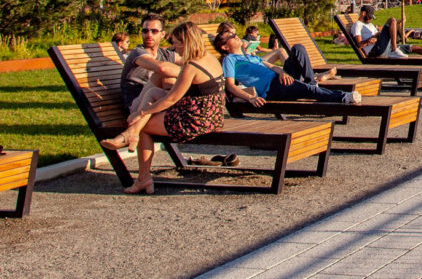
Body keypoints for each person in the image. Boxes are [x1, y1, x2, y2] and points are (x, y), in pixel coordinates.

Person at [100, 22, 225, 194]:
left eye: (176, 43)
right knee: (153, 92)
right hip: (212, 114)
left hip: (195, 120)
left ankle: (143, 176)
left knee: (145, 127)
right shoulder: (209, 58)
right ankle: (131, 134)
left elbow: (171, 99)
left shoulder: (192, 67)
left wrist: (142, 112)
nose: (174, 48)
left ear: (185, 42)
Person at [216, 29, 360, 105]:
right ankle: (343, 97)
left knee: (298, 48)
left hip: (280, 79)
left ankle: (311, 81)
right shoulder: (230, 59)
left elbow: (272, 66)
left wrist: (282, 72)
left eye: (235, 34)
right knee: (308, 91)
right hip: (271, 88)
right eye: (231, 36)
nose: (236, 36)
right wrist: (250, 98)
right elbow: (229, 85)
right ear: (224, 46)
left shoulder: (249, 56)